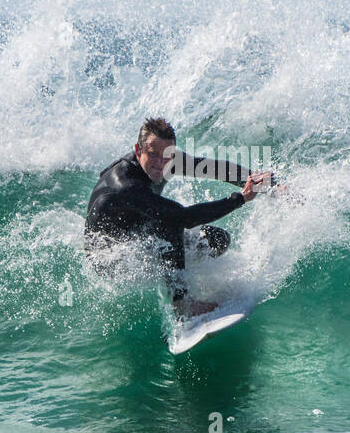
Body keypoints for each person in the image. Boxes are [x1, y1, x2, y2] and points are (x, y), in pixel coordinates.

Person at [84, 117, 272, 317]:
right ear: (138, 150)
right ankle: (182, 305)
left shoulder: (167, 159)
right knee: (170, 221)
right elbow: (183, 218)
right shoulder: (124, 184)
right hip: (112, 258)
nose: (160, 163)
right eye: (152, 154)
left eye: (167, 156)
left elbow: (215, 169)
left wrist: (264, 185)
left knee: (217, 240)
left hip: (142, 233)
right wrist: (240, 199)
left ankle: (174, 279)